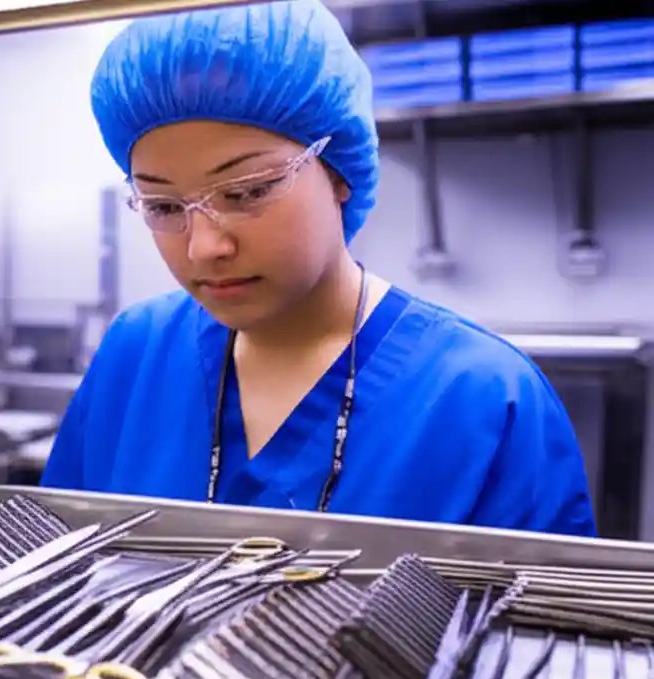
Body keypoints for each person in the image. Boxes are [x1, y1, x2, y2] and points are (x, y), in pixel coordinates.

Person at [39, 0, 596, 536]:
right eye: (163, 207)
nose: (203, 247)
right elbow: (51, 576)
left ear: (339, 174)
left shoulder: (480, 398)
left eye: (247, 191)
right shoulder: (134, 356)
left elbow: (538, 627)